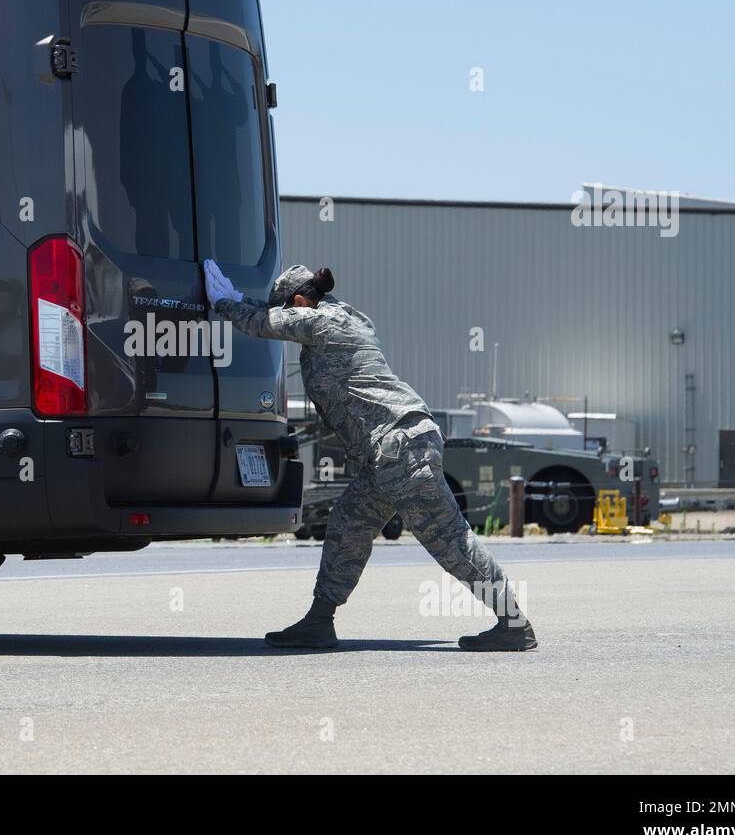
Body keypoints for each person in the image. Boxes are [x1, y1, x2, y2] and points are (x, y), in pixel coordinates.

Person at [203, 259, 537, 652]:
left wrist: (225, 303)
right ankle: (319, 621)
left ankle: (514, 624)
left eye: (288, 309)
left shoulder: (323, 323)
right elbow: (274, 318)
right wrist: (241, 298)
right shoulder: (337, 317)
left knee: (448, 538)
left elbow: (265, 324)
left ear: (298, 302)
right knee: (348, 524)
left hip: (401, 446)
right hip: (389, 452)